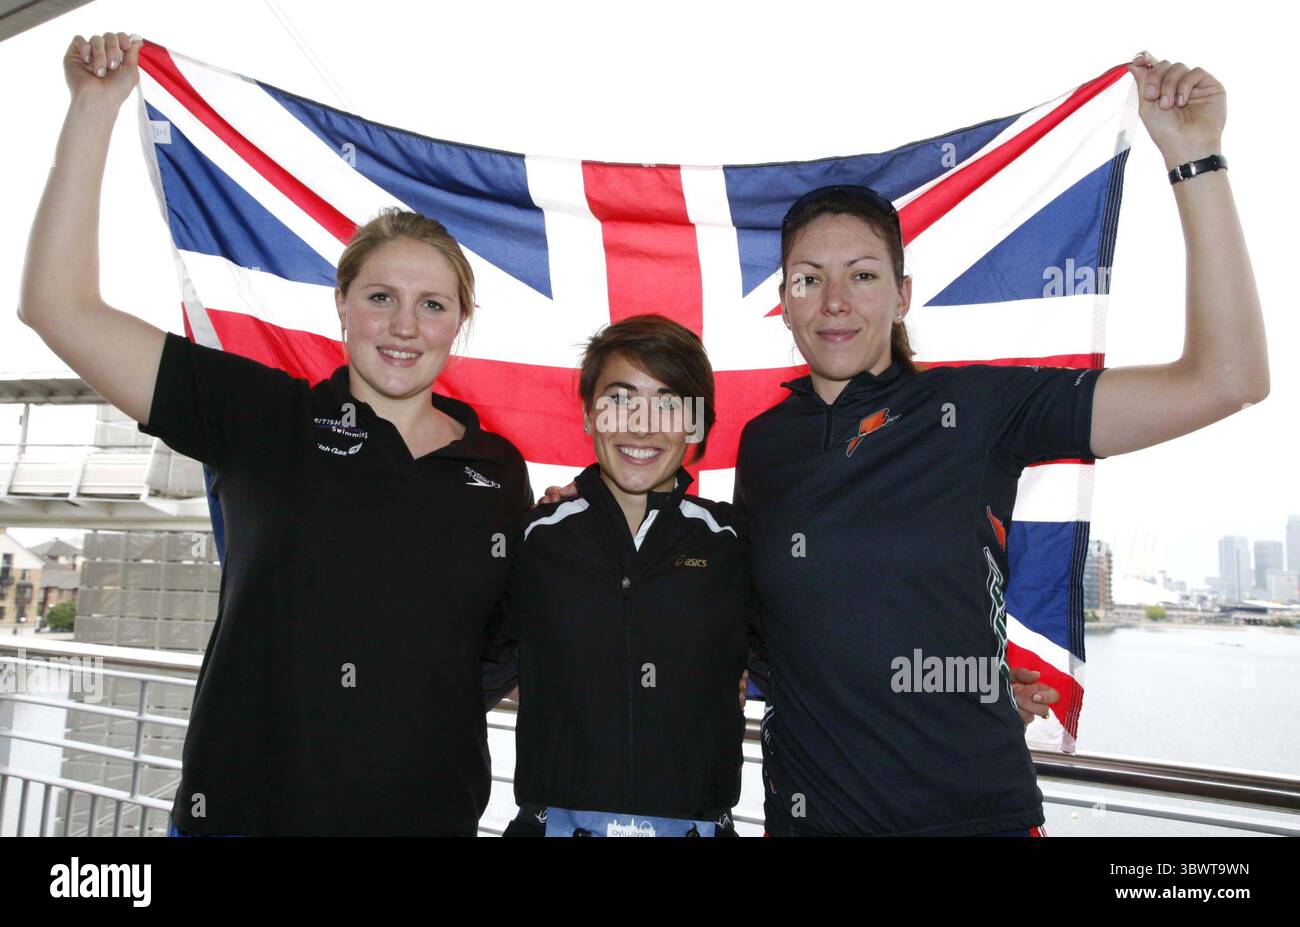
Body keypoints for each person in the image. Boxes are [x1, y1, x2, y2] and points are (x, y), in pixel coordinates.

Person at [732, 52, 1266, 836]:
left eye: (864, 275)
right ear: (783, 302)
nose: (835, 301)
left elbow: (1225, 378)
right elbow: (763, 629)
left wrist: (1196, 158)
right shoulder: (763, 444)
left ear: (904, 294)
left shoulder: (979, 407)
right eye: (808, 278)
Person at [18, 33, 531, 835]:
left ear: (461, 321)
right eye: (380, 296)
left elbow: (496, 650)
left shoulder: (499, 469)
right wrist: (92, 112)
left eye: (432, 304)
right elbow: (58, 306)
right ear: (341, 305)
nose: (405, 325)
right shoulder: (264, 417)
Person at [488, 315, 755, 836]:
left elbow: (809, 667)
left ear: (696, 424)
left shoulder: (734, 545)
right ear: (589, 414)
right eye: (619, 399)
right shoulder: (533, 538)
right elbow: (460, 669)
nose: (642, 423)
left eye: (670, 402)